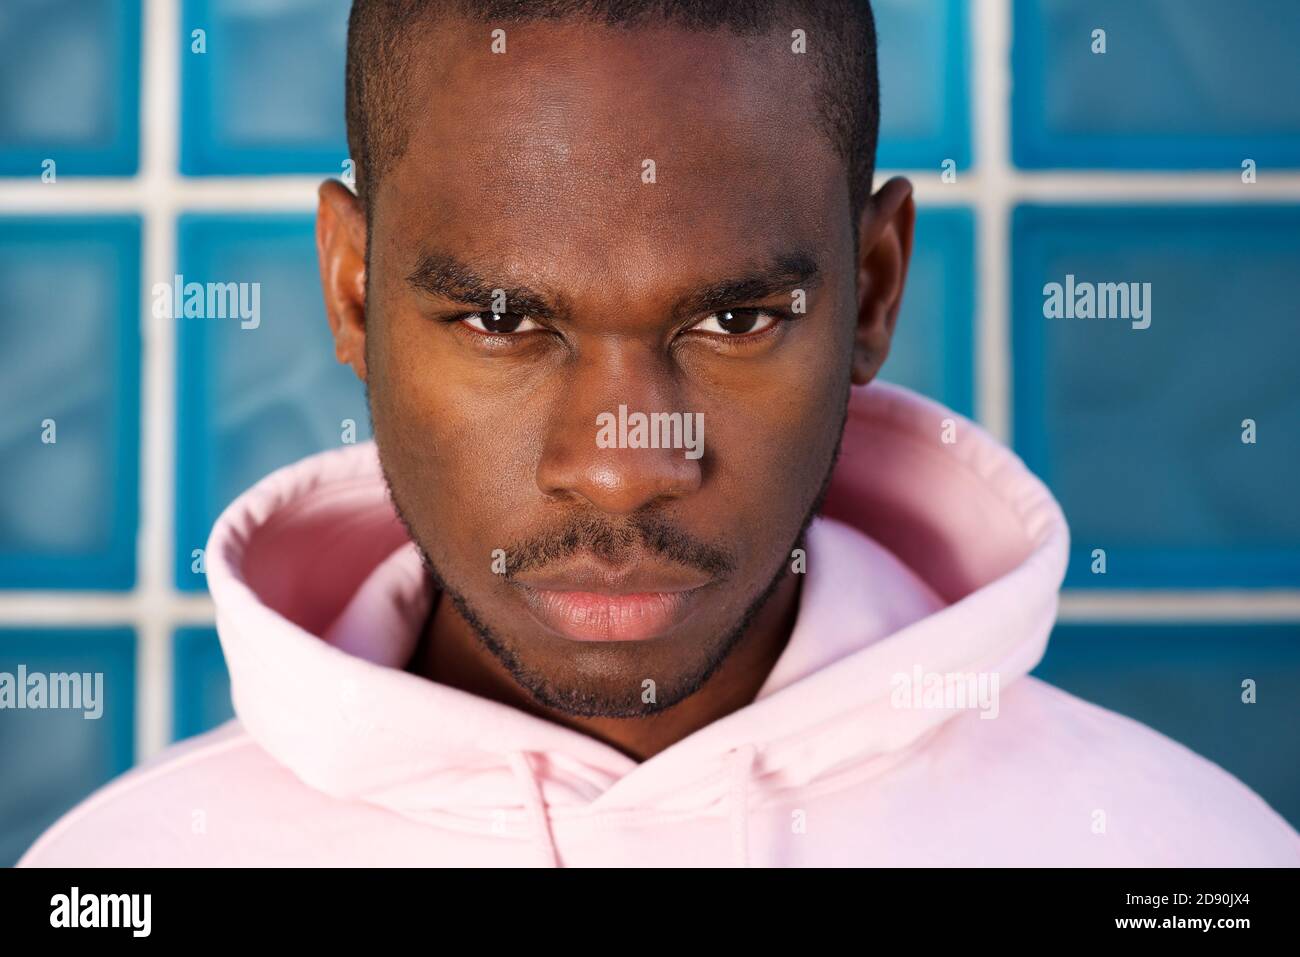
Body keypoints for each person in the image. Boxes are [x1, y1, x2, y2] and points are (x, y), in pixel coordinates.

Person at [20, 0, 1299, 867]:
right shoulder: (120, 874)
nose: (623, 461)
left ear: (876, 287)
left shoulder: (1184, 856)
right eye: (502, 320)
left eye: (735, 319)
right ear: (353, 291)